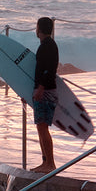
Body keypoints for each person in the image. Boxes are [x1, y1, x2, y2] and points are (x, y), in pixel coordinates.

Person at [32, 16, 59, 173]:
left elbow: (49, 70)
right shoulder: (47, 45)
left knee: (43, 128)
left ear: (39, 29)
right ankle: (45, 162)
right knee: (40, 128)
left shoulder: (47, 46)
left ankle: (50, 164)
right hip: (43, 90)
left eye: (36, 27)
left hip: (46, 92)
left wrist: (40, 89)